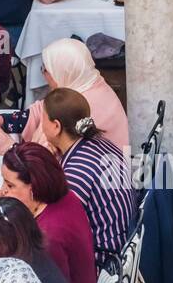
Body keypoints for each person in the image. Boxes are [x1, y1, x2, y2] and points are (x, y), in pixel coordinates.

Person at [0, 141, 97, 283]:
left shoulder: (49, 235)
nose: (3, 190)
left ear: (34, 189)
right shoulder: (65, 197)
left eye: (10, 185)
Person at [40, 87, 136, 264]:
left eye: (43, 119)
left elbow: (56, 227)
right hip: (122, 243)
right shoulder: (100, 142)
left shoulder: (75, 172)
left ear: (56, 126)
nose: (41, 125)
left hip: (103, 262)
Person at [0, 38, 129, 152]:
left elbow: (48, 161)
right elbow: (41, 111)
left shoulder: (81, 105)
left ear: (63, 72)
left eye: (46, 69)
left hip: (95, 182)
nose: (43, 74)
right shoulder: (87, 83)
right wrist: (2, 120)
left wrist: (10, 148)